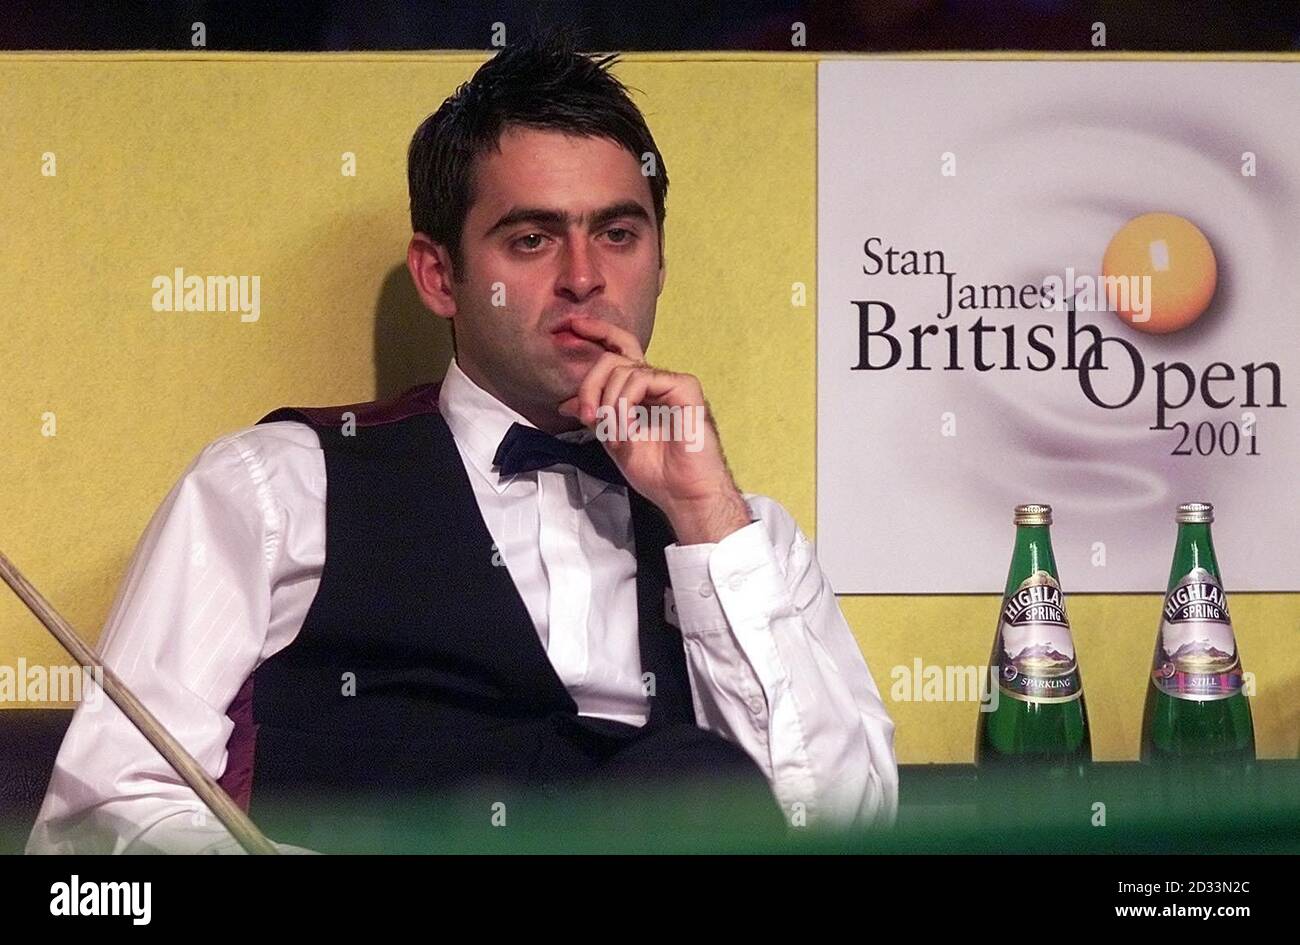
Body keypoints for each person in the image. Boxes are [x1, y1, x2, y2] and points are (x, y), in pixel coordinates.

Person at [27, 29, 897, 854]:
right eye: (532, 238)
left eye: (619, 234)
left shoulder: (751, 546)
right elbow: (104, 816)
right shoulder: (274, 491)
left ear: (659, 262)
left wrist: (707, 517)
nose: (585, 277)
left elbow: (840, 834)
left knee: (693, 781)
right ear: (441, 275)